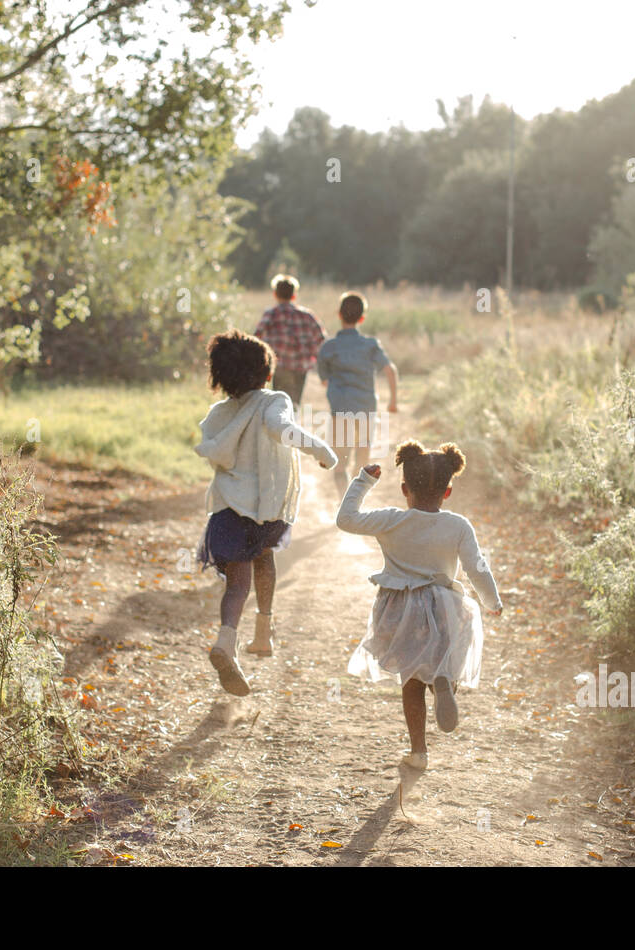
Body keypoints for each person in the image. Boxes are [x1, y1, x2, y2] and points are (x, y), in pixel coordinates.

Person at [336, 440, 502, 770]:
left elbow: (347, 519)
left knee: (410, 682)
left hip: (400, 611)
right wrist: (491, 601)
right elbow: (476, 566)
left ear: (403, 488)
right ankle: (443, 682)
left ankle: (419, 753)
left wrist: (363, 482)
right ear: (447, 492)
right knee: (443, 660)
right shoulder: (457, 525)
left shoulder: (391, 520)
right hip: (445, 608)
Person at [195, 329, 337, 696]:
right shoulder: (275, 401)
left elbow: (213, 446)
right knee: (265, 559)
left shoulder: (219, 412)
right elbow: (281, 429)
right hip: (264, 510)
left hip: (227, 511)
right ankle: (263, 631)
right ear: (267, 374)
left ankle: (227, 641)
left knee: (236, 583)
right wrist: (321, 450)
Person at [316, 292, 398, 494]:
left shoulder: (329, 347)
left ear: (339, 315)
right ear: (362, 318)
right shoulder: (370, 345)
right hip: (365, 409)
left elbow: (325, 380)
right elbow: (390, 370)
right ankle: (355, 502)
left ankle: (343, 500)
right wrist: (393, 400)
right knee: (362, 461)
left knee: (339, 464)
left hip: (341, 411)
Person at [254, 274, 325, 407]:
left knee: (279, 405)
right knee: (294, 404)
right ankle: (293, 424)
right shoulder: (306, 315)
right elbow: (320, 338)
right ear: (294, 295)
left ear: (275, 294)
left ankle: (279, 427)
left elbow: (257, 336)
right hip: (300, 366)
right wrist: (313, 355)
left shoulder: (271, 314)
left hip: (279, 365)